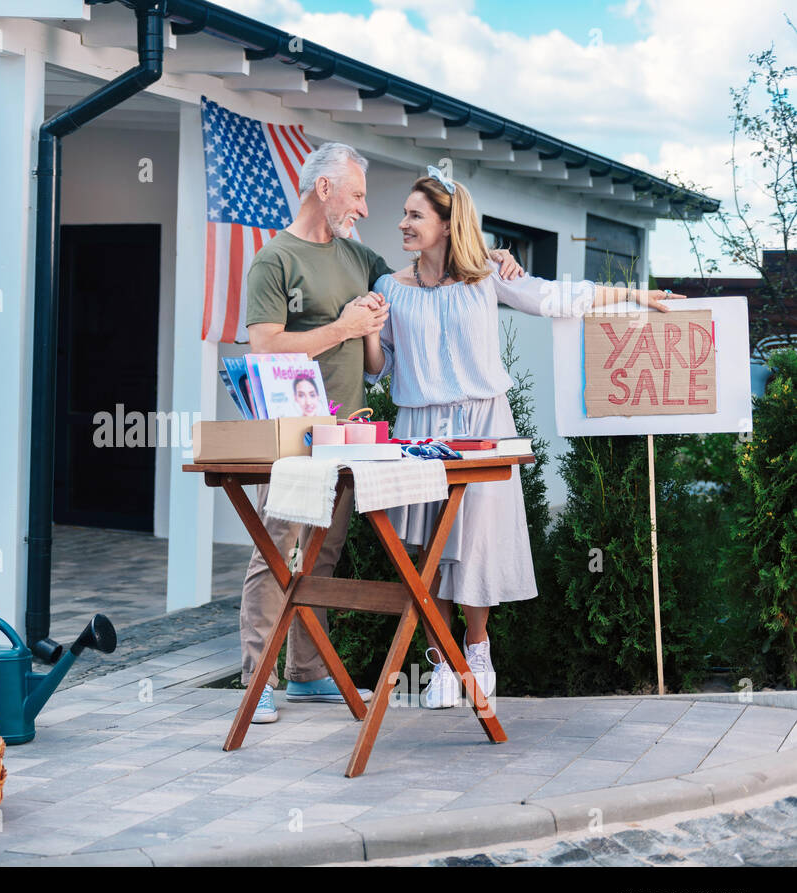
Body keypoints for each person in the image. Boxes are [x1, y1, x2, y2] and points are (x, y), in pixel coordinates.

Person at [363, 166, 684, 707]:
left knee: (477, 542)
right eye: (404, 214)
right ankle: (440, 660)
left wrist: (634, 295)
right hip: (418, 427)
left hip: (485, 426)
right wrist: (370, 331)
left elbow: (556, 298)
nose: (403, 224)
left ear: (446, 224)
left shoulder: (489, 276)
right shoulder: (389, 288)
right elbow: (379, 368)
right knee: (427, 547)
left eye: (415, 215)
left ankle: (478, 648)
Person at [240, 144, 523, 723]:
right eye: (358, 194)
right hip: (292, 433)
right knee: (278, 551)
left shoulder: (359, 259)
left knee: (324, 555)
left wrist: (491, 254)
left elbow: (427, 268)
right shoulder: (275, 260)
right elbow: (264, 344)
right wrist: (340, 328)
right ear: (324, 190)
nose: (367, 209)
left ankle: (309, 673)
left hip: (347, 434)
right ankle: (256, 681)